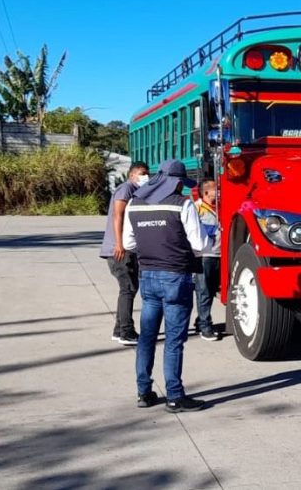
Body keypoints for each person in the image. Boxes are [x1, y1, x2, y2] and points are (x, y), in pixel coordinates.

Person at [123, 159, 209, 412]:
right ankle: (175, 396)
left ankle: (144, 392)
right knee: (173, 340)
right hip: (176, 277)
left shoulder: (134, 203)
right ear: (176, 182)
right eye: (181, 182)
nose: (182, 187)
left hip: (148, 276)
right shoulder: (182, 204)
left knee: (147, 337)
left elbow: (128, 244)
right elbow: (200, 244)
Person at [99, 161, 149, 346]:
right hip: (119, 250)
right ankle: (126, 332)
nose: (146, 176)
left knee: (129, 288)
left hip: (127, 248)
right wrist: (119, 244)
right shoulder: (126, 189)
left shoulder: (136, 191)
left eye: (147, 173)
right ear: (132, 175)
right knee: (128, 288)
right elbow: (117, 215)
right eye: (142, 173)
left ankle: (119, 329)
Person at [193, 180, 221, 341]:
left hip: (219, 255)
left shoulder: (220, 207)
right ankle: (205, 326)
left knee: (211, 291)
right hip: (204, 256)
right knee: (203, 291)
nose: (218, 192)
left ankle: (200, 320)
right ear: (205, 193)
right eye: (215, 189)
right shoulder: (197, 208)